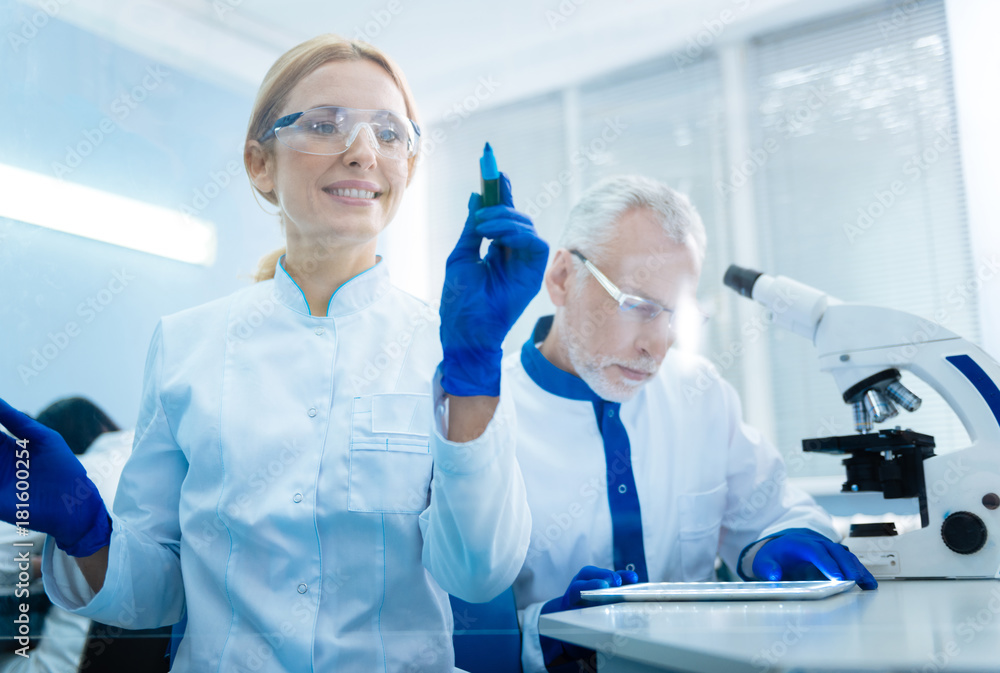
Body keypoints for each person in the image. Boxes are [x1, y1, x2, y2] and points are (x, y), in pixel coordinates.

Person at [0, 33, 548, 672]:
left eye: (389, 133)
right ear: (260, 164)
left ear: (408, 167)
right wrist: (83, 526)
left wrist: (474, 371)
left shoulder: (454, 347)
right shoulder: (186, 343)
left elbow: (477, 574)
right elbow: (158, 593)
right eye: (325, 124)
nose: (363, 151)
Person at [505, 175, 875, 672]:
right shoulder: (485, 416)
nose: (657, 346)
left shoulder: (699, 392)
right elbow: (448, 618)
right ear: (562, 277)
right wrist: (545, 634)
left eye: (676, 315)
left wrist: (784, 541)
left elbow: (774, 514)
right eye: (638, 306)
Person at [0, 397, 137, 672]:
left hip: (83, 653)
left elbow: (4, 557)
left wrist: (37, 567)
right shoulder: (143, 452)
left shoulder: (80, 473)